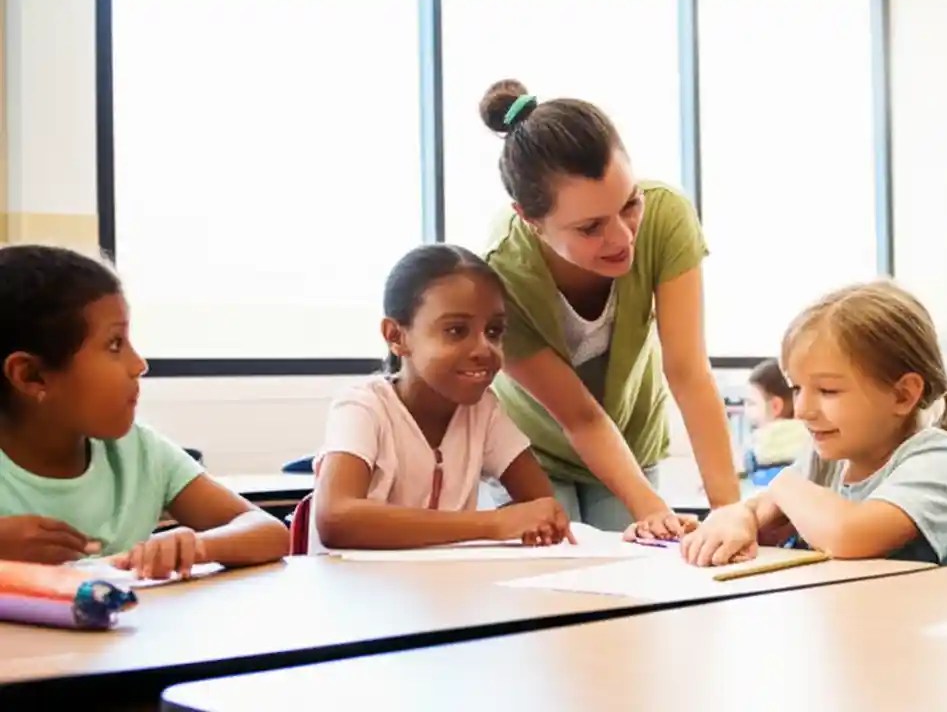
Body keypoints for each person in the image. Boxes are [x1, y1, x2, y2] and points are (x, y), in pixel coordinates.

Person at [478, 79, 739, 535]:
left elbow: (689, 372)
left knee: (640, 567)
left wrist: (731, 514)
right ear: (530, 220)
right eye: (590, 227)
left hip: (630, 440)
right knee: (558, 574)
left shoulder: (666, 216)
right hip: (533, 450)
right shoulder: (498, 274)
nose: (622, 237)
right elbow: (579, 416)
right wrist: (652, 507)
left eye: (629, 203)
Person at [0, 245, 288, 579]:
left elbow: (268, 531)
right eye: (114, 344)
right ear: (31, 375)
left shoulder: (139, 453)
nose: (139, 364)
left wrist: (197, 546)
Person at [680, 282, 947, 566]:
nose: (802, 410)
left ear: (903, 395)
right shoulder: (827, 458)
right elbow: (759, 510)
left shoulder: (937, 459)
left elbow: (850, 535)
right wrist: (738, 519)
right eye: (796, 388)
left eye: (828, 391)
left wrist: (782, 486)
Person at [312, 245, 573, 551]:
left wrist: (539, 521)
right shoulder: (363, 407)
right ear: (397, 336)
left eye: (494, 331)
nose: (483, 349)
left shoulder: (484, 412)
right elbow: (335, 518)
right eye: (456, 330)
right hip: (363, 591)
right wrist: (493, 524)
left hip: (447, 591)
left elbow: (542, 504)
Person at [741, 359, 808, 486]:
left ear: (776, 406)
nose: (746, 411)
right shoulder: (812, 448)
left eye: (751, 404)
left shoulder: (759, 452)